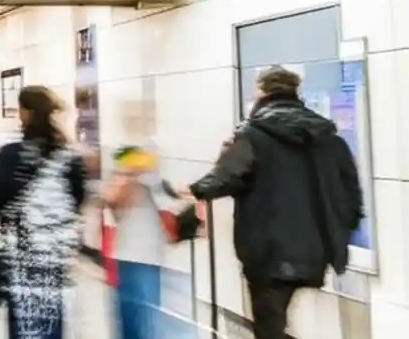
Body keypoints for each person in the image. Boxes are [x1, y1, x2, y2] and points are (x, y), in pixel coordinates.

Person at [184, 66, 362, 339]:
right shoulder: (329, 139)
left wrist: (196, 189)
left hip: (267, 251)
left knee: (269, 325)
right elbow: (352, 195)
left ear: (262, 92)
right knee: (286, 318)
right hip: (315, 250)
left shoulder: (252, 136)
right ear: (296, 92)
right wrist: (338, 233)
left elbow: (227, 176)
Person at [0, 86, 86, 339]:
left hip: (21, 251)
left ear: (24, 112)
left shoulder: (11, 154)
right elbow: (78, 199)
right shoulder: (68, 156)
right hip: (54, 254)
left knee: (23, 321)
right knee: (51, 317)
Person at [101, 145, 168, 339]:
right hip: (130, 259)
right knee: (133, 324)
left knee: (143, 324)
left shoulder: (155, 181)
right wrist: (128, 175)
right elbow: (111, 201)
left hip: (148, 259)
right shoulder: (123, 180)